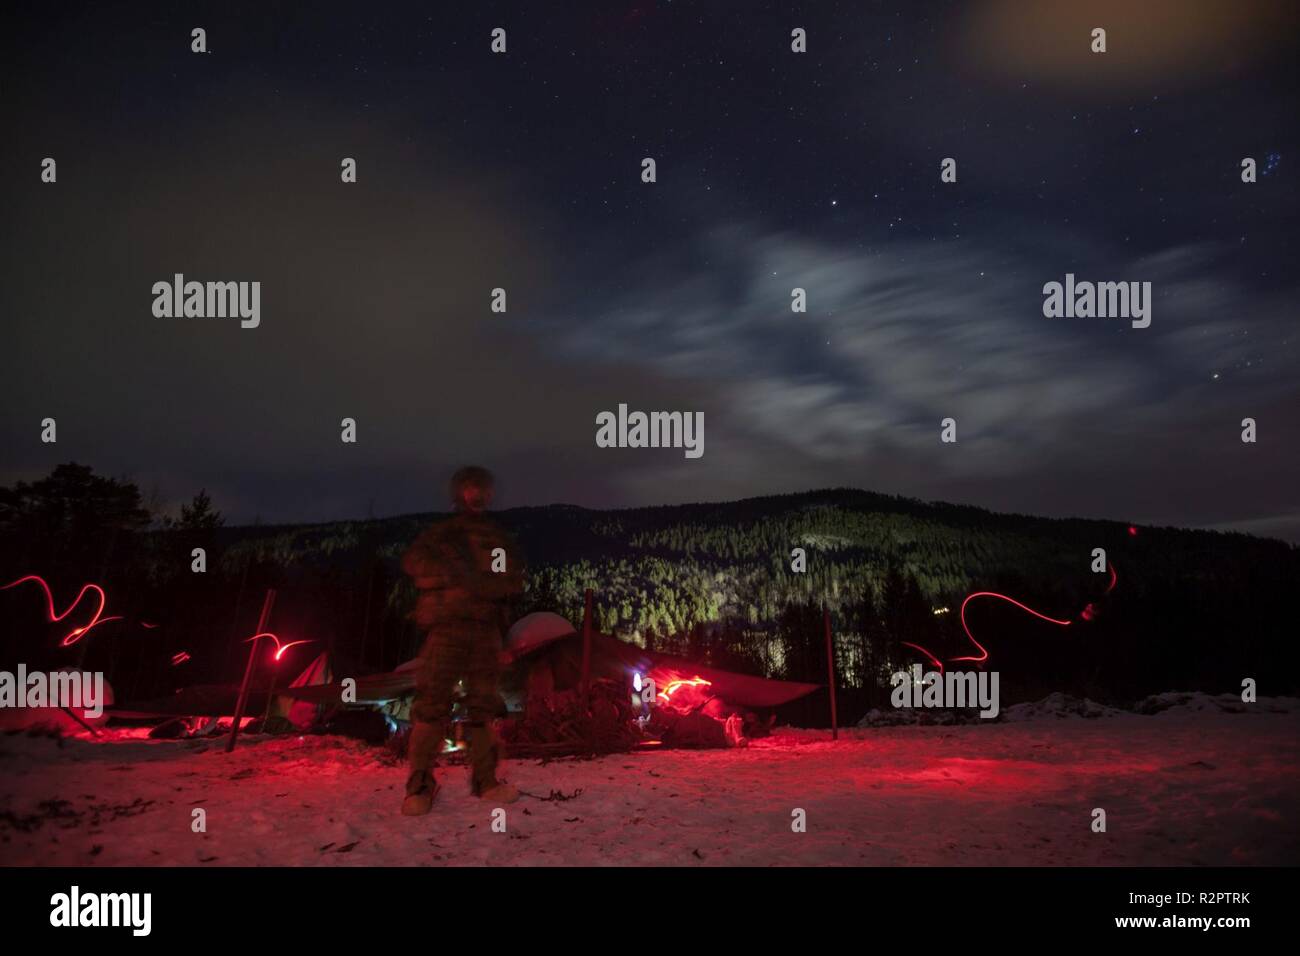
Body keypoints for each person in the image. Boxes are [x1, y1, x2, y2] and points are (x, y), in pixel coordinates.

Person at [399, 466, 523, 815]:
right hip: (447, 629)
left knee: (482, 707)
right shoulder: (442, 537)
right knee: (432, 705)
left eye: (483, 488)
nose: (477, 495)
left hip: (484, 632)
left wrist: (485, 588)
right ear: (459, 493)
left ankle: (485, 781)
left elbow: (509, 581)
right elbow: (415, 564)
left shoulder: (494, 540)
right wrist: (454, 577)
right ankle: (420, 784)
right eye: (470, 488)